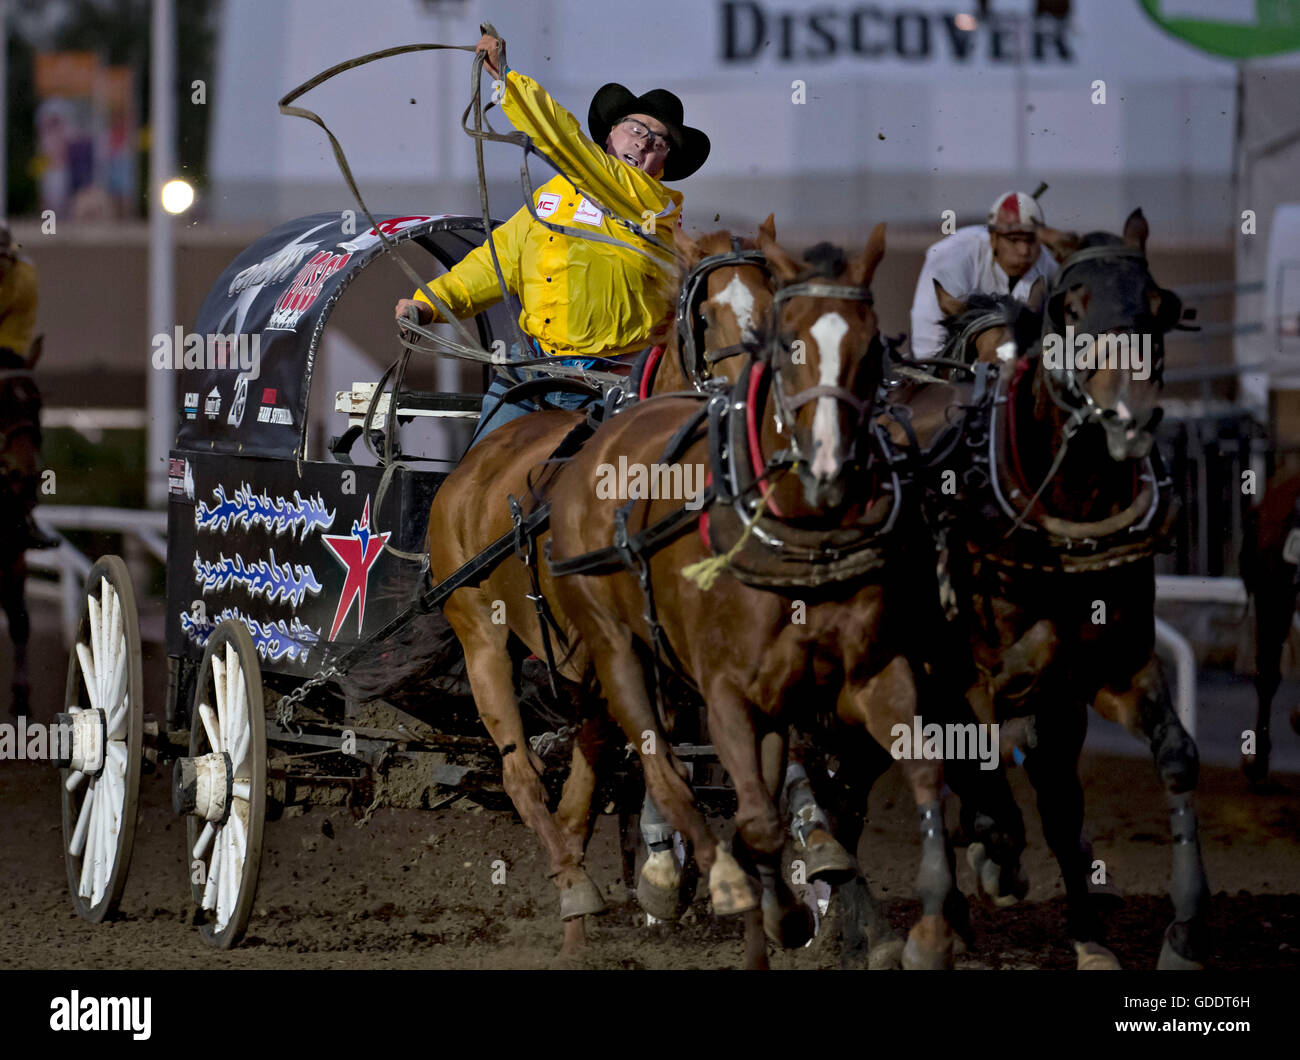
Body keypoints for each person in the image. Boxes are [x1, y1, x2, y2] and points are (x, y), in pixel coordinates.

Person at [393, 31, 711, 443]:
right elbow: (497, 261)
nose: (645, 141)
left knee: (599, 499)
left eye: (659, 140)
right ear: (611, 133)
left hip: (615, 384)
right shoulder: (550, 199)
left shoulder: (650, 205)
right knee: (475, 483)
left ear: (663, 162)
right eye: (636, 128)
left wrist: (508, 80)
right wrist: (428, 305)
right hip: (531, 372)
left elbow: (565, 142)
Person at [908, 190, 1057, 360]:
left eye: (1031, 240)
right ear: (993, 238)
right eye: (1014, 239)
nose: (1024, 251)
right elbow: (929, 336)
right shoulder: (952, 256)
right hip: (955, 357)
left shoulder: (1050, 267)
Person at [0, 223, 57, 550]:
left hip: (9, 342)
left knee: (23, 403)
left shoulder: (24, 281)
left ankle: (26, 517)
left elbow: (14, 333)